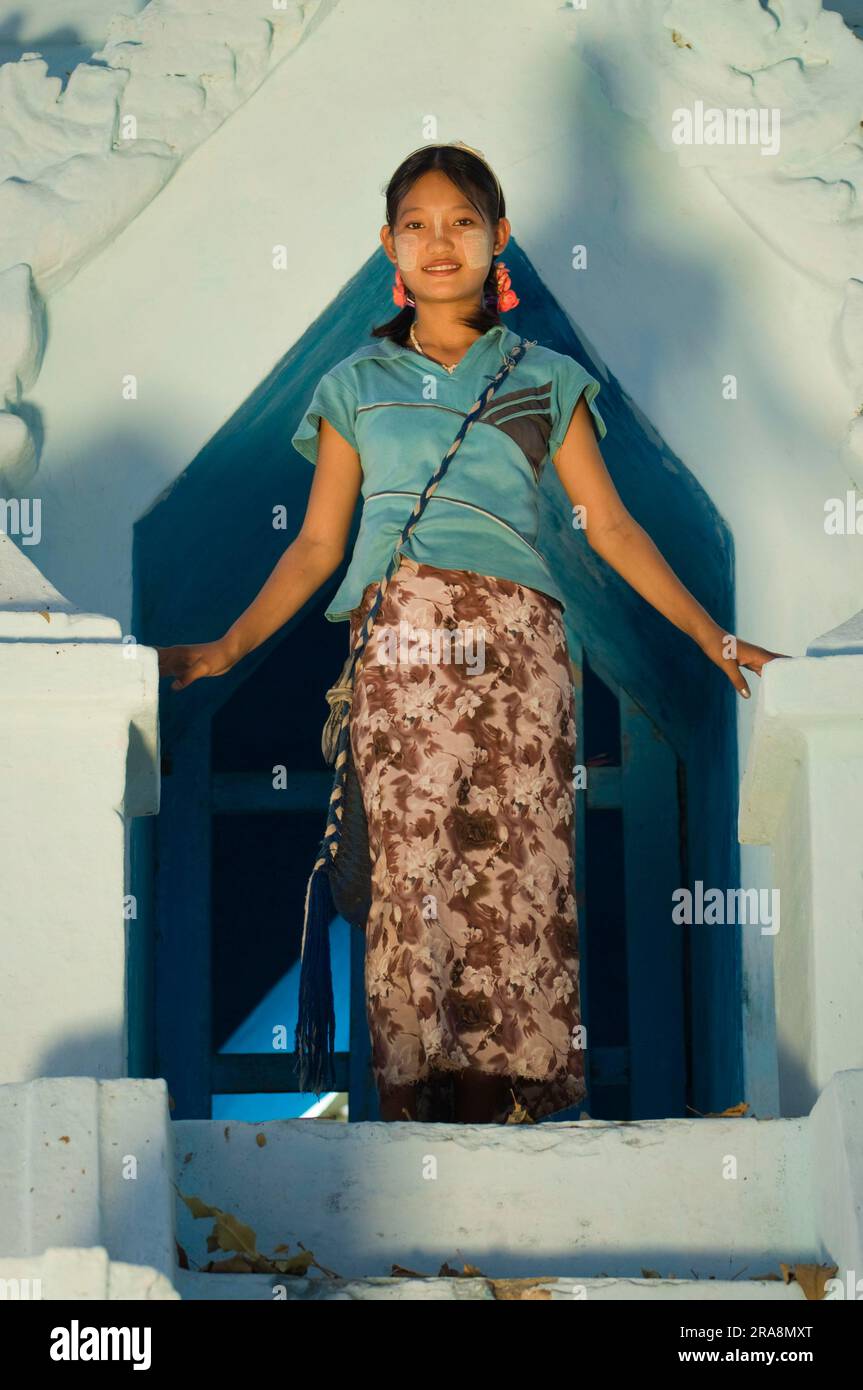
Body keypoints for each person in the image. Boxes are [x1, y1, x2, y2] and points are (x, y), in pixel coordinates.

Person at [158, 141, 784, 1125]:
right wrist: (226, 647)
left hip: (521, 651)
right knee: (413, 876)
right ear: (388, 245)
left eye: (460, 221)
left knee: (515, 873)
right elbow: (318, 544)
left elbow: (611, 528)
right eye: (416, 224)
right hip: (400, 647)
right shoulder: (354, 385)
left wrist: (716, 639)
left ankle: (496, 1120)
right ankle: (415, 1119)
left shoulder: (545, 377)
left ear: (498, 237)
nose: (438, 240)